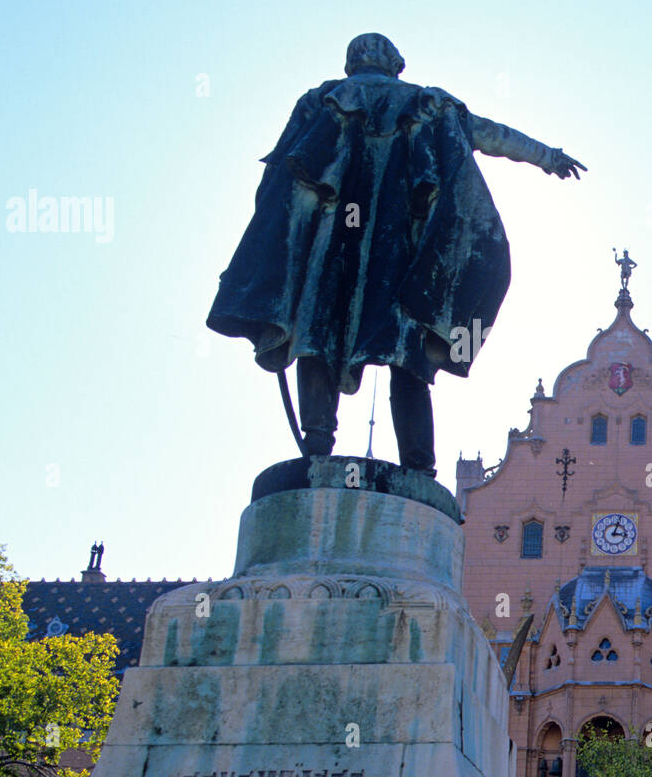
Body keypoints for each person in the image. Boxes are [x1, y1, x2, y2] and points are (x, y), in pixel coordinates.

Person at [206, 33, 584, 476]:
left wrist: (264, 258)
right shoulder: (427, 104)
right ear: (396, 64)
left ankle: (315, 450)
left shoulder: (321, 100)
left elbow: (277, 185)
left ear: (351, 63)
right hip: (400, 250)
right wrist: (548, 156)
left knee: (318, 334)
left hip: (332, 248)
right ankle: (420, 468)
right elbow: (491, 135)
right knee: (407, 351)